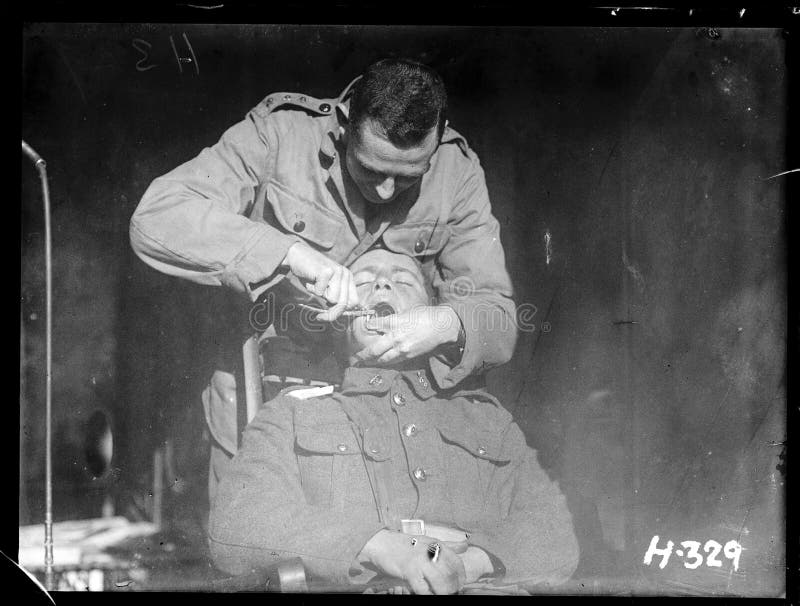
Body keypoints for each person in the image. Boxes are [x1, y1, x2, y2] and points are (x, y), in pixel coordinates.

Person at [129, 58, 518, 501]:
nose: (387, 191)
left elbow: (501, 320)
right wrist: (289, 255)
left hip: (393, 410)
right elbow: (158, 216)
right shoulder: (280, 136)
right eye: (371, 170)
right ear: (345, 126)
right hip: (265, 393)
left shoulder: (457, 171)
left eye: (408, 177)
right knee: (255, 543)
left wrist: (447, 324)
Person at [208, 248, 578, 595]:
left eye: (403, 281)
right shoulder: (290, 416)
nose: (383, 285)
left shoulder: (490, 420)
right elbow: (237, 524)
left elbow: (555, 534)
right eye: (364, 282)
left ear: (432, 312)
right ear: (340, 320)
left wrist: (466, 566)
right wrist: (379, 548)